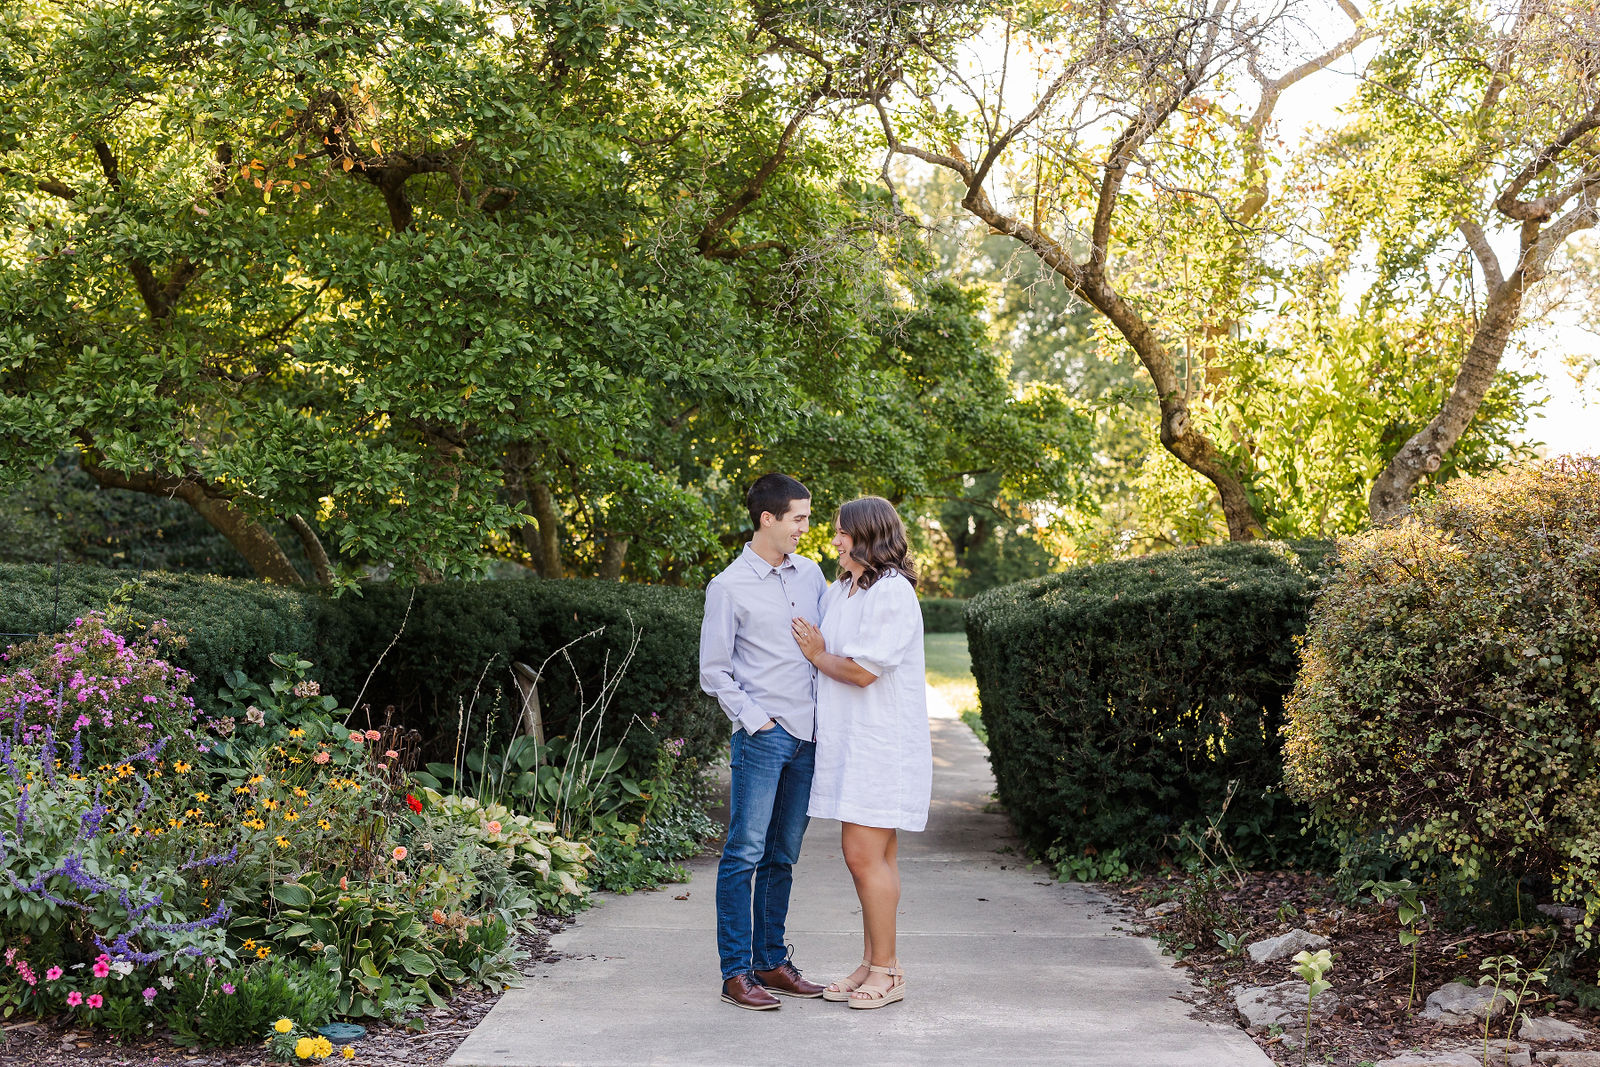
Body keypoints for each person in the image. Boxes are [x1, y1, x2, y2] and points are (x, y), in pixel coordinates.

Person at [791, 495, 931, 1010]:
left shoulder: (892, 593)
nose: (835, 540)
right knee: (874, 857)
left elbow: (863, 671)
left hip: (881, 745)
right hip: (852, 743)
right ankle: (873, 962)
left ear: (867, 536)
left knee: (863, 855)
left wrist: (818, 654)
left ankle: (889, 971)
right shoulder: (844, 589)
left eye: (842, 533)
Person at [699, 473, 830, 1011]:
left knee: (783, 854)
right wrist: (758, 721)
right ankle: (736, 973)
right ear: (767, 519)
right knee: (744, 854)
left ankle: (771, 961)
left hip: (808, 737)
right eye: (798, 518)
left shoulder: (813, 575)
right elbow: (714, 672)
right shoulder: (728, 586)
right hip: (764, 738)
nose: (806, 527)